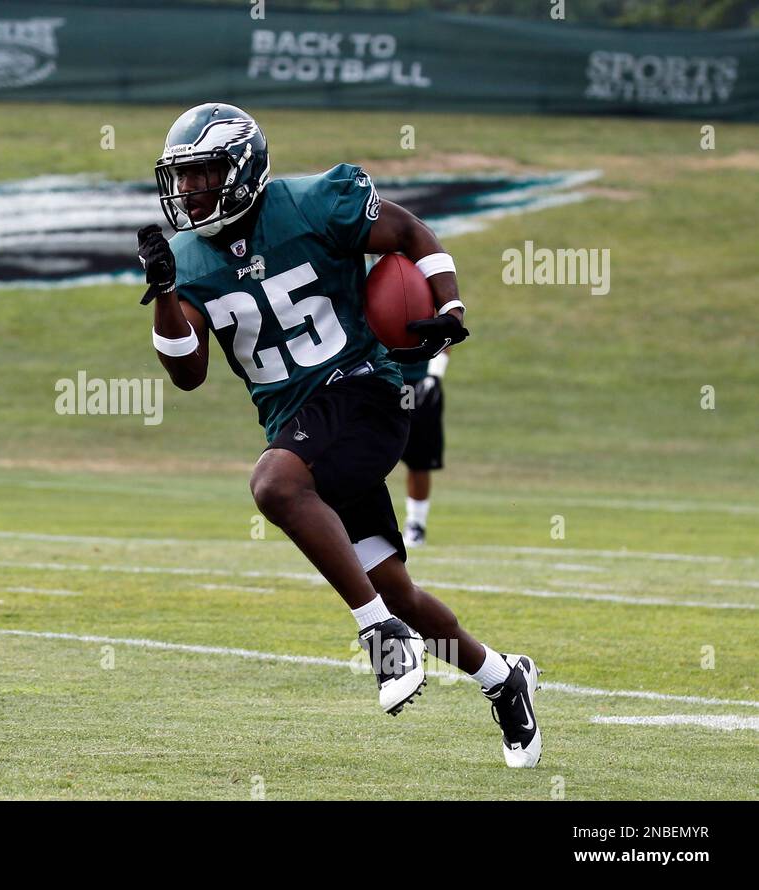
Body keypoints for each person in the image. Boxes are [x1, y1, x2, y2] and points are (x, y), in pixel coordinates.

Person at [136, 102, 540, 766]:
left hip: (365, 392)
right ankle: (504, 679)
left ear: (240, 170)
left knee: (272, 482)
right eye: (181, 179)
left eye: (202, 175)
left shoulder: (314, 203)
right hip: (304, 431)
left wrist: (449, 303)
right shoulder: (185, 259)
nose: (188, 192)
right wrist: (166, 298)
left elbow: (411, 234)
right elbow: (186, 374)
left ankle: (382, 639)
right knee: (396, 587)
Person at [399, 350, 449, 547]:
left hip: (414, 386)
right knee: (364, 454)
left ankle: (416, 523)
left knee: (419, 457)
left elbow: (449, 328)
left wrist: (435, 374)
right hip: (380, 376)